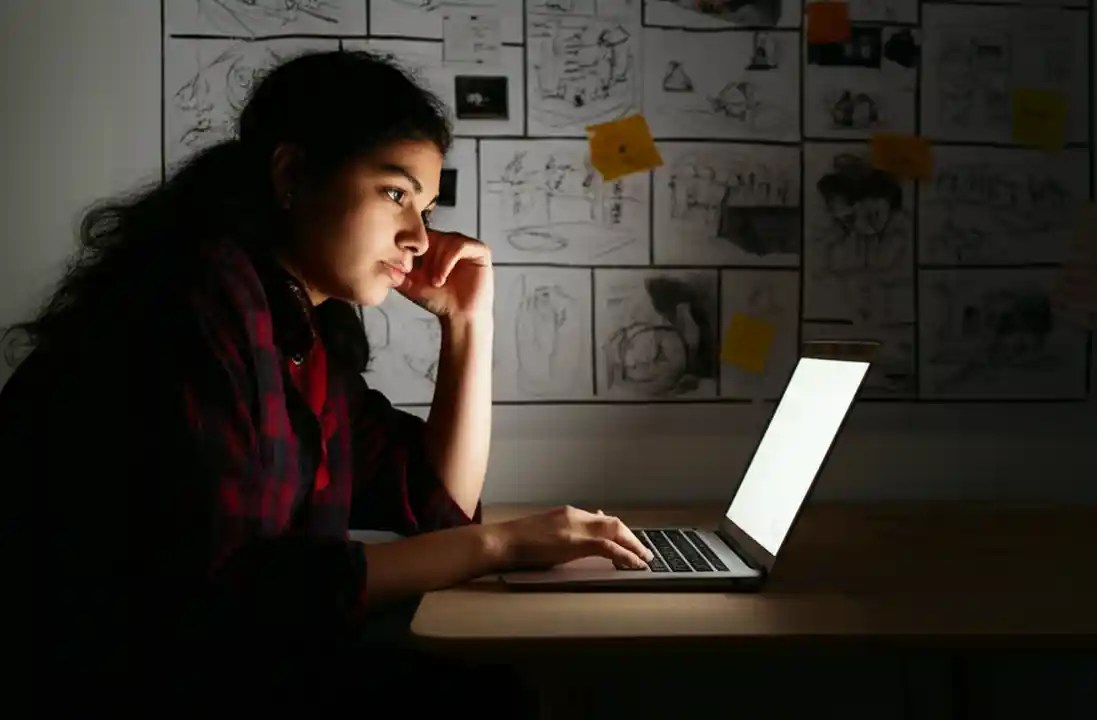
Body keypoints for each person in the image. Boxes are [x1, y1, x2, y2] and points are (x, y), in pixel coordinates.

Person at [0, 50, 653, 714]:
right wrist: (501, 544)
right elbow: (235, 592)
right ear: (293, 175)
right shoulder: (194, 303)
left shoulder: (303, 336)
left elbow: (433, 509)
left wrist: (467, 324)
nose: (419, 239)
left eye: (425, 207)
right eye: (395, 193)